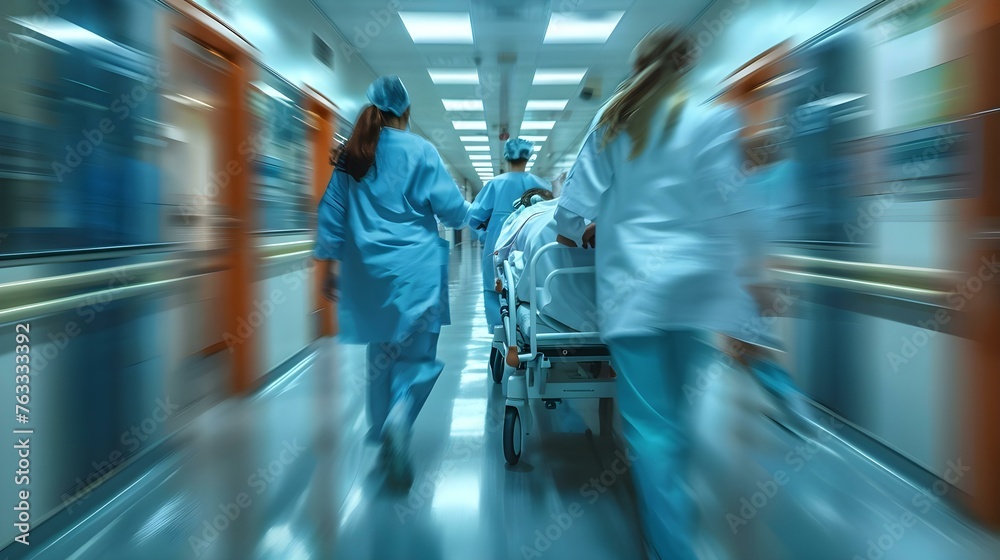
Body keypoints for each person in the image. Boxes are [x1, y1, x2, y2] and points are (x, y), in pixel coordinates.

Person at [553, 27, 763, 560]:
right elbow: (734, 214)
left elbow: (568, 214)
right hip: (695, 295)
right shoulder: (713, 121)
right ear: (688, 62)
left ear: (638, 64)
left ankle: (673, 545)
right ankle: (674, 527)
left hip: (635, 296)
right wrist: (752, 295)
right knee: (683, 422)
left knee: (652, 429)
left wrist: (586, 232)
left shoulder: (612, 126)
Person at [313, 76, 470, 488]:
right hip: (417, 272)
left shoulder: (354, 155)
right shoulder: (422, 151)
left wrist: (328, 266)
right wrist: (465, 217)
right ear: (406, 113)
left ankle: (382, 432)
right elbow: (453, 211)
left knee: (380, 358)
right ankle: (401, 420)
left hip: (369, 276)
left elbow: (330, 211)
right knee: (417, 357)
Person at [467, 138, 551, 333]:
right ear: (528, 157)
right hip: (531, 249)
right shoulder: (541, 185)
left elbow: (473, 218)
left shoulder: (495, 185)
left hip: (497, 248)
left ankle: (500, 333)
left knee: (495, 289)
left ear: (506, 158)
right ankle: (531, 333)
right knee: (529, 289)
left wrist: (483, 236)